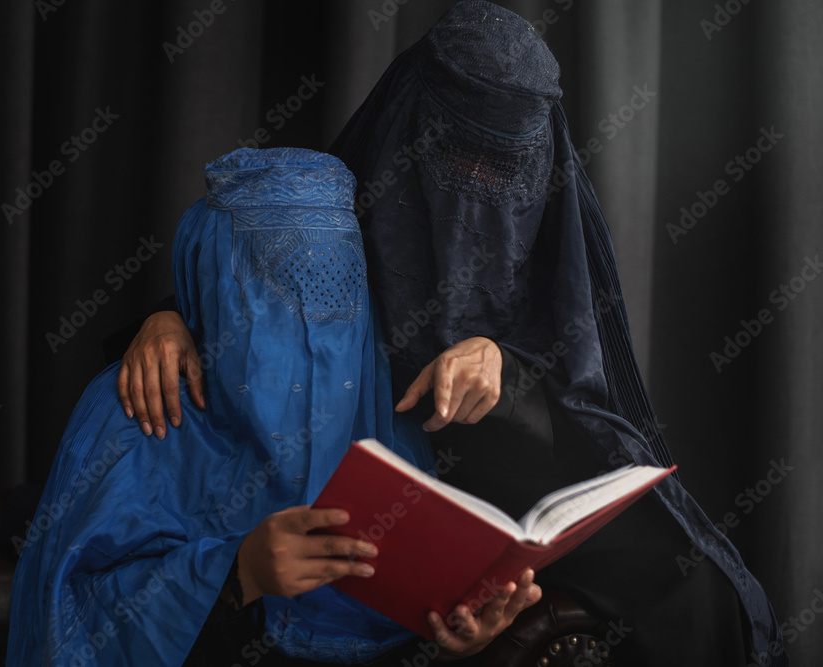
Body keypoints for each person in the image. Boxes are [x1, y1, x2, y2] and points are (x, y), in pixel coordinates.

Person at [117, 3, 788, 666]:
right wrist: (167, 314)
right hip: (347, 487)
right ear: (410, 123)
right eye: (455, 154)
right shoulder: (341, 201)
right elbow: (257, 285)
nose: (476, 186)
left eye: (501, 169)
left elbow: (583, 399)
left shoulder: (552, 228)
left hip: (514, 487)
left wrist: (504, 363)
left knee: (697, 577)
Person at [7, 147, 540, 666]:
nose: (312, 330)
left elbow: (407, 613)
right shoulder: (141, 406)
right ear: (213, 285)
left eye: (338, 287)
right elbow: (67, 618)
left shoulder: (387, 417)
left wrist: (463, 636)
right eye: (275, 292)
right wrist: (238, 575)